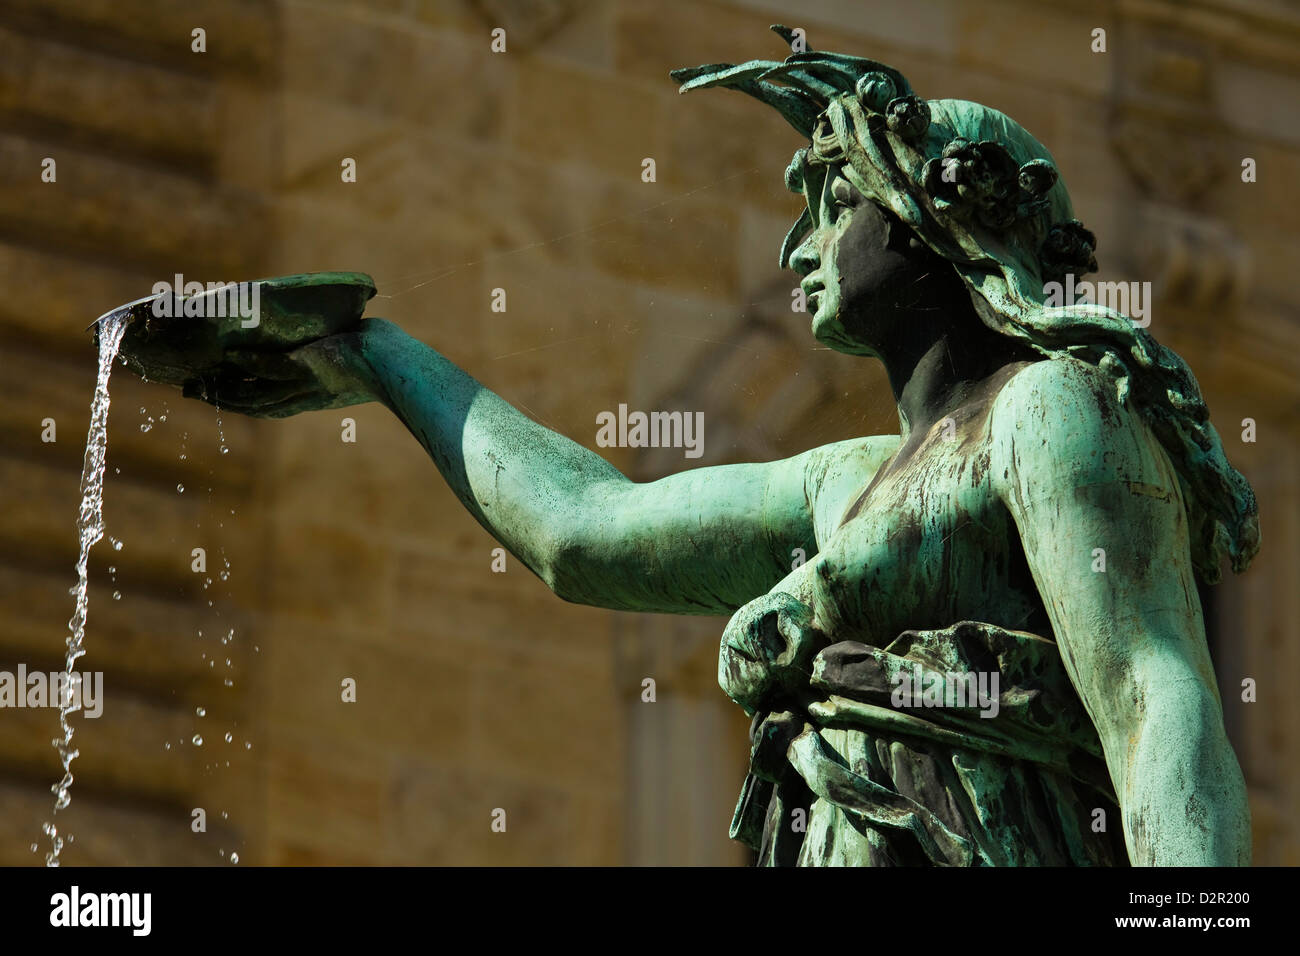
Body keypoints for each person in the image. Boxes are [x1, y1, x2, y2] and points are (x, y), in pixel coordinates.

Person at [120, 29, 1257, 866]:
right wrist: (371, 356)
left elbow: (1152, 691)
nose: (797, 242)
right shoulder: (842, 482)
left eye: (829, 198)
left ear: (928, 215)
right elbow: (585, 531)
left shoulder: (1056, 411)